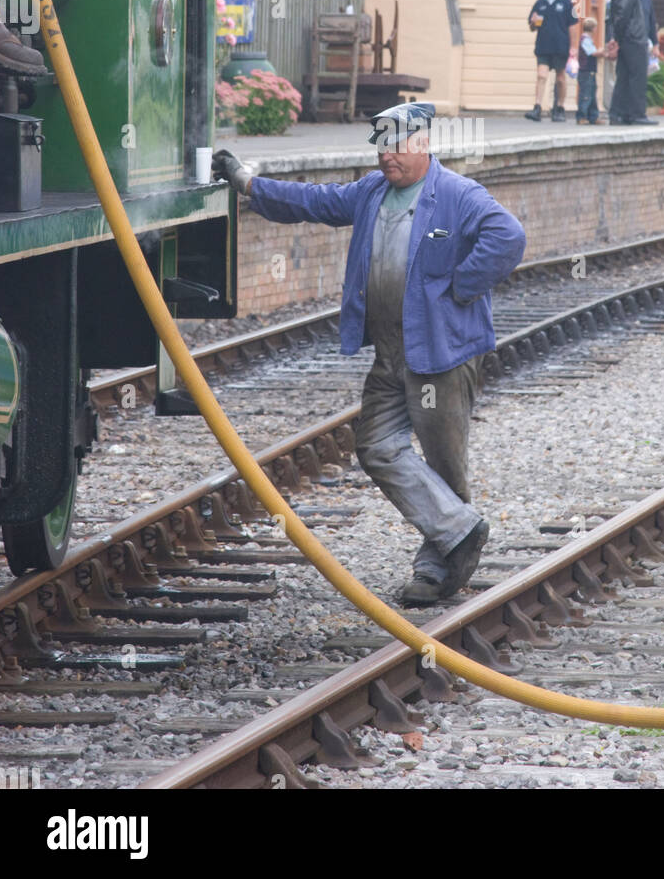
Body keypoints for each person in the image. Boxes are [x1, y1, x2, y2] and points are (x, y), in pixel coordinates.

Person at [212, 102, 526, 608]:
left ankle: (436, 568)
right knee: (377, 445)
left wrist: (460, 288)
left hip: (440, 354)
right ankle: (459, 532)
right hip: (392, 352)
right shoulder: (372, 192)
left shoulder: (457, 195)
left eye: (397, 146)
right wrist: (248, 183)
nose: (386, 157)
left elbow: (508, 238)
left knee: (444, 465)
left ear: (423, 145)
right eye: (380, 146)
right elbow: (314, 202)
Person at [607, 0, 656, 125]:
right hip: (633, 41)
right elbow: (621, 18)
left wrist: (617, 39)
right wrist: (618, 40)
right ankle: (636, 114)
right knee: (637, 78)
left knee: (625, 77)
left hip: (628, 40)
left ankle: (619, 113)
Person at [524, 0, 578, 122]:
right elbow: (532, 27)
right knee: (541, 75)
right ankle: (537, 107)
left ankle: (560, 107)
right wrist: (533, 23)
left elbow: (573, 26)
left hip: (561, 46)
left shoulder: (567, 3)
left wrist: (574, 47)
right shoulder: (539, 4)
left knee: (560, 78)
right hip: (543, 45)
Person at [575, 17, 610, 124]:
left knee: (592, 93)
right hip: (586, 70)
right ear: (593, 28)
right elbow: (592, 53)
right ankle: (582, 116)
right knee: (586, 94)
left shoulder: (588, 40)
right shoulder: (585, 39)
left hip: (590, 70)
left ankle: (593, 116)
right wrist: (603, 51)